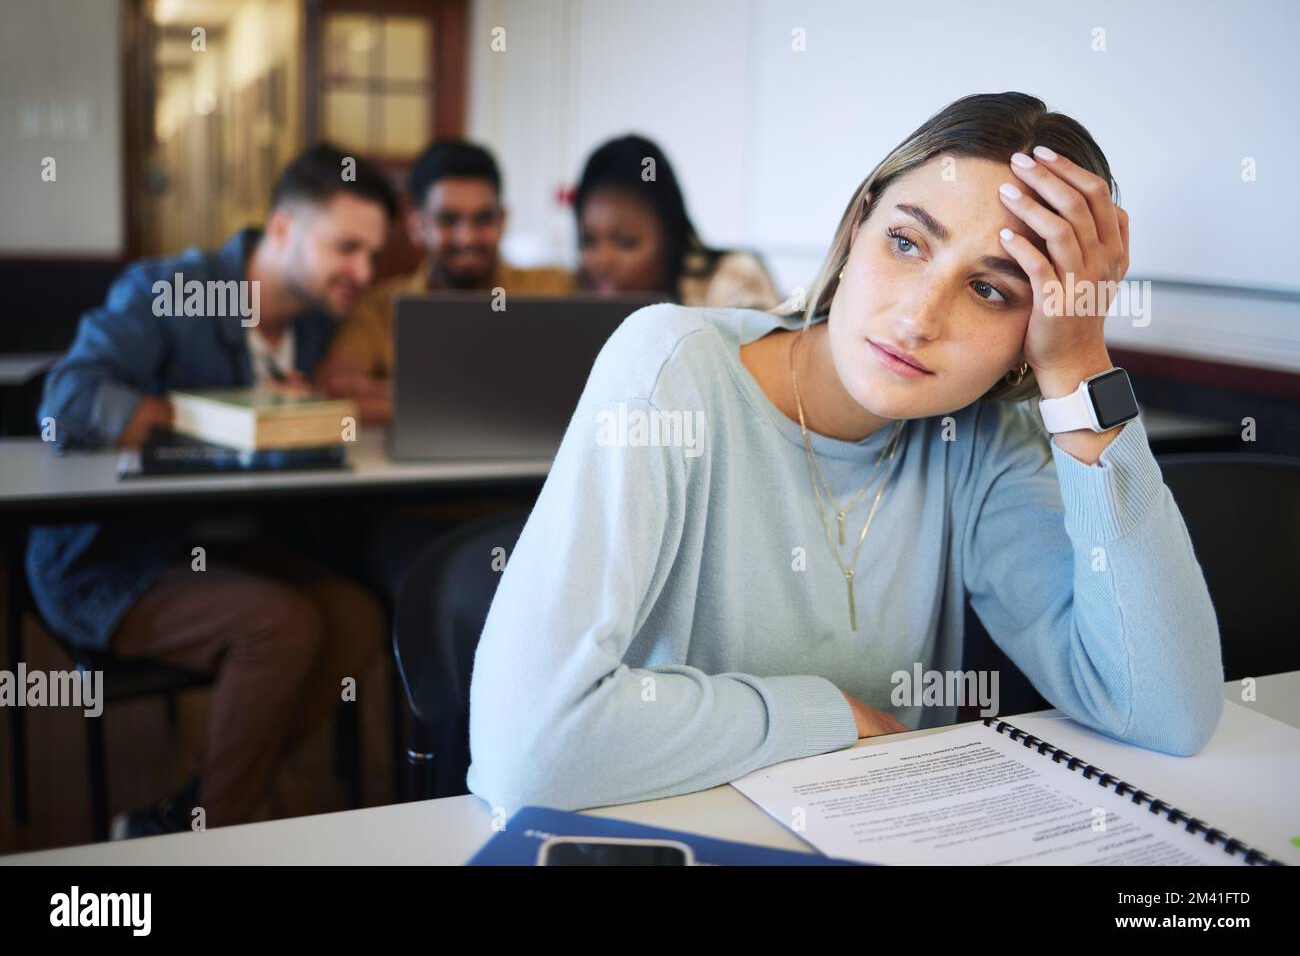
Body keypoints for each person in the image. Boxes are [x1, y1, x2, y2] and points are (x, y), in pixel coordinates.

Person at [465, 92, 1224, 813]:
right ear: (858, 223)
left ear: (1032, 337)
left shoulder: (982, 434)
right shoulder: (669, 367)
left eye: (990, 290)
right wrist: (830, 716)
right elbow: (527, 749)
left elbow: (1162, 708)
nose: (918, 318)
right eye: (905, 243)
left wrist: (1079, 369)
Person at [26, 143, 399, 836]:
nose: (363, 272)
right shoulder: (171, 289)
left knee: (356, 616)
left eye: (374, 256)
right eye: (347, 247)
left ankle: (195, 806)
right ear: (282, 228)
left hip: (229, 547)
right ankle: (208, 838)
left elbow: (341, 403)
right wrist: (213, 412)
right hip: (112, 558)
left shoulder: (321, 322)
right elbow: (66, 399)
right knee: (279, 625)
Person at [315, 139, 575, 423]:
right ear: (417, 226)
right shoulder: (380, 306)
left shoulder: (553, 289)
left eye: (483, 219)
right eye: (448, 220)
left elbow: (578, 393)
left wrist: (415, 399)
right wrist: (497, 401)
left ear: (502, 220)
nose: (467, 237)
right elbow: (335, 393)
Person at [574, 134, 781, 310]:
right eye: (588, 241)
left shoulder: (734, 277)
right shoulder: (573, 292)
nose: (602, 260)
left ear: (670, 235)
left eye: (626, 242)